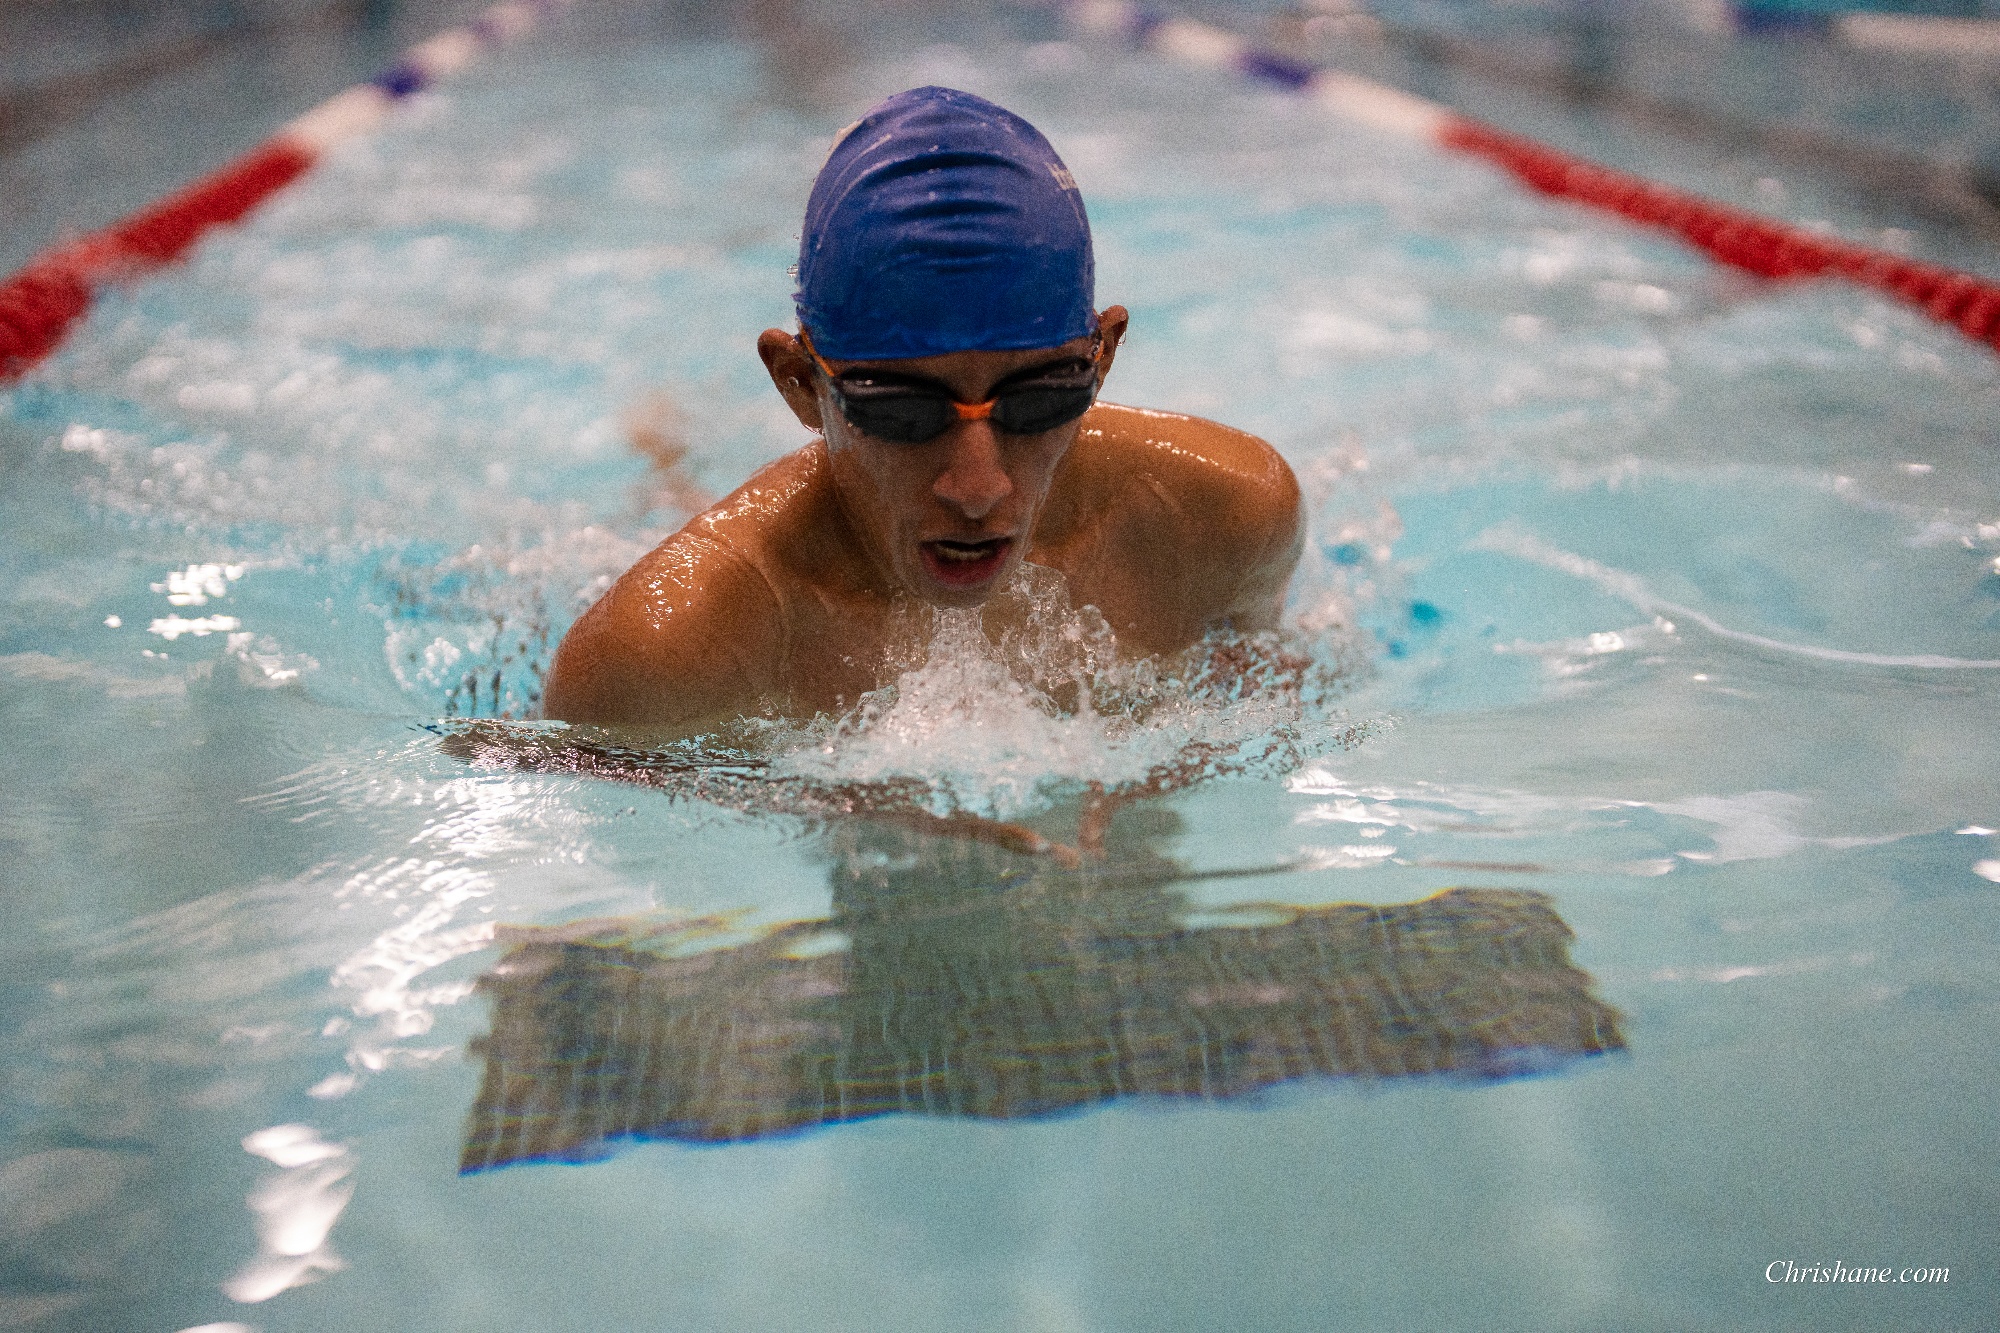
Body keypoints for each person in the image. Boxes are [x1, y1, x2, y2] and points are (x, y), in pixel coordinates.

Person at [542, 86, 1301, 734]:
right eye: (904, 412)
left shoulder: (1226, 517)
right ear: (801, 383)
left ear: (1101, 359)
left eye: (1039, 401)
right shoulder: (658, 659)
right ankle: (664, 461)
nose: (978, 488)